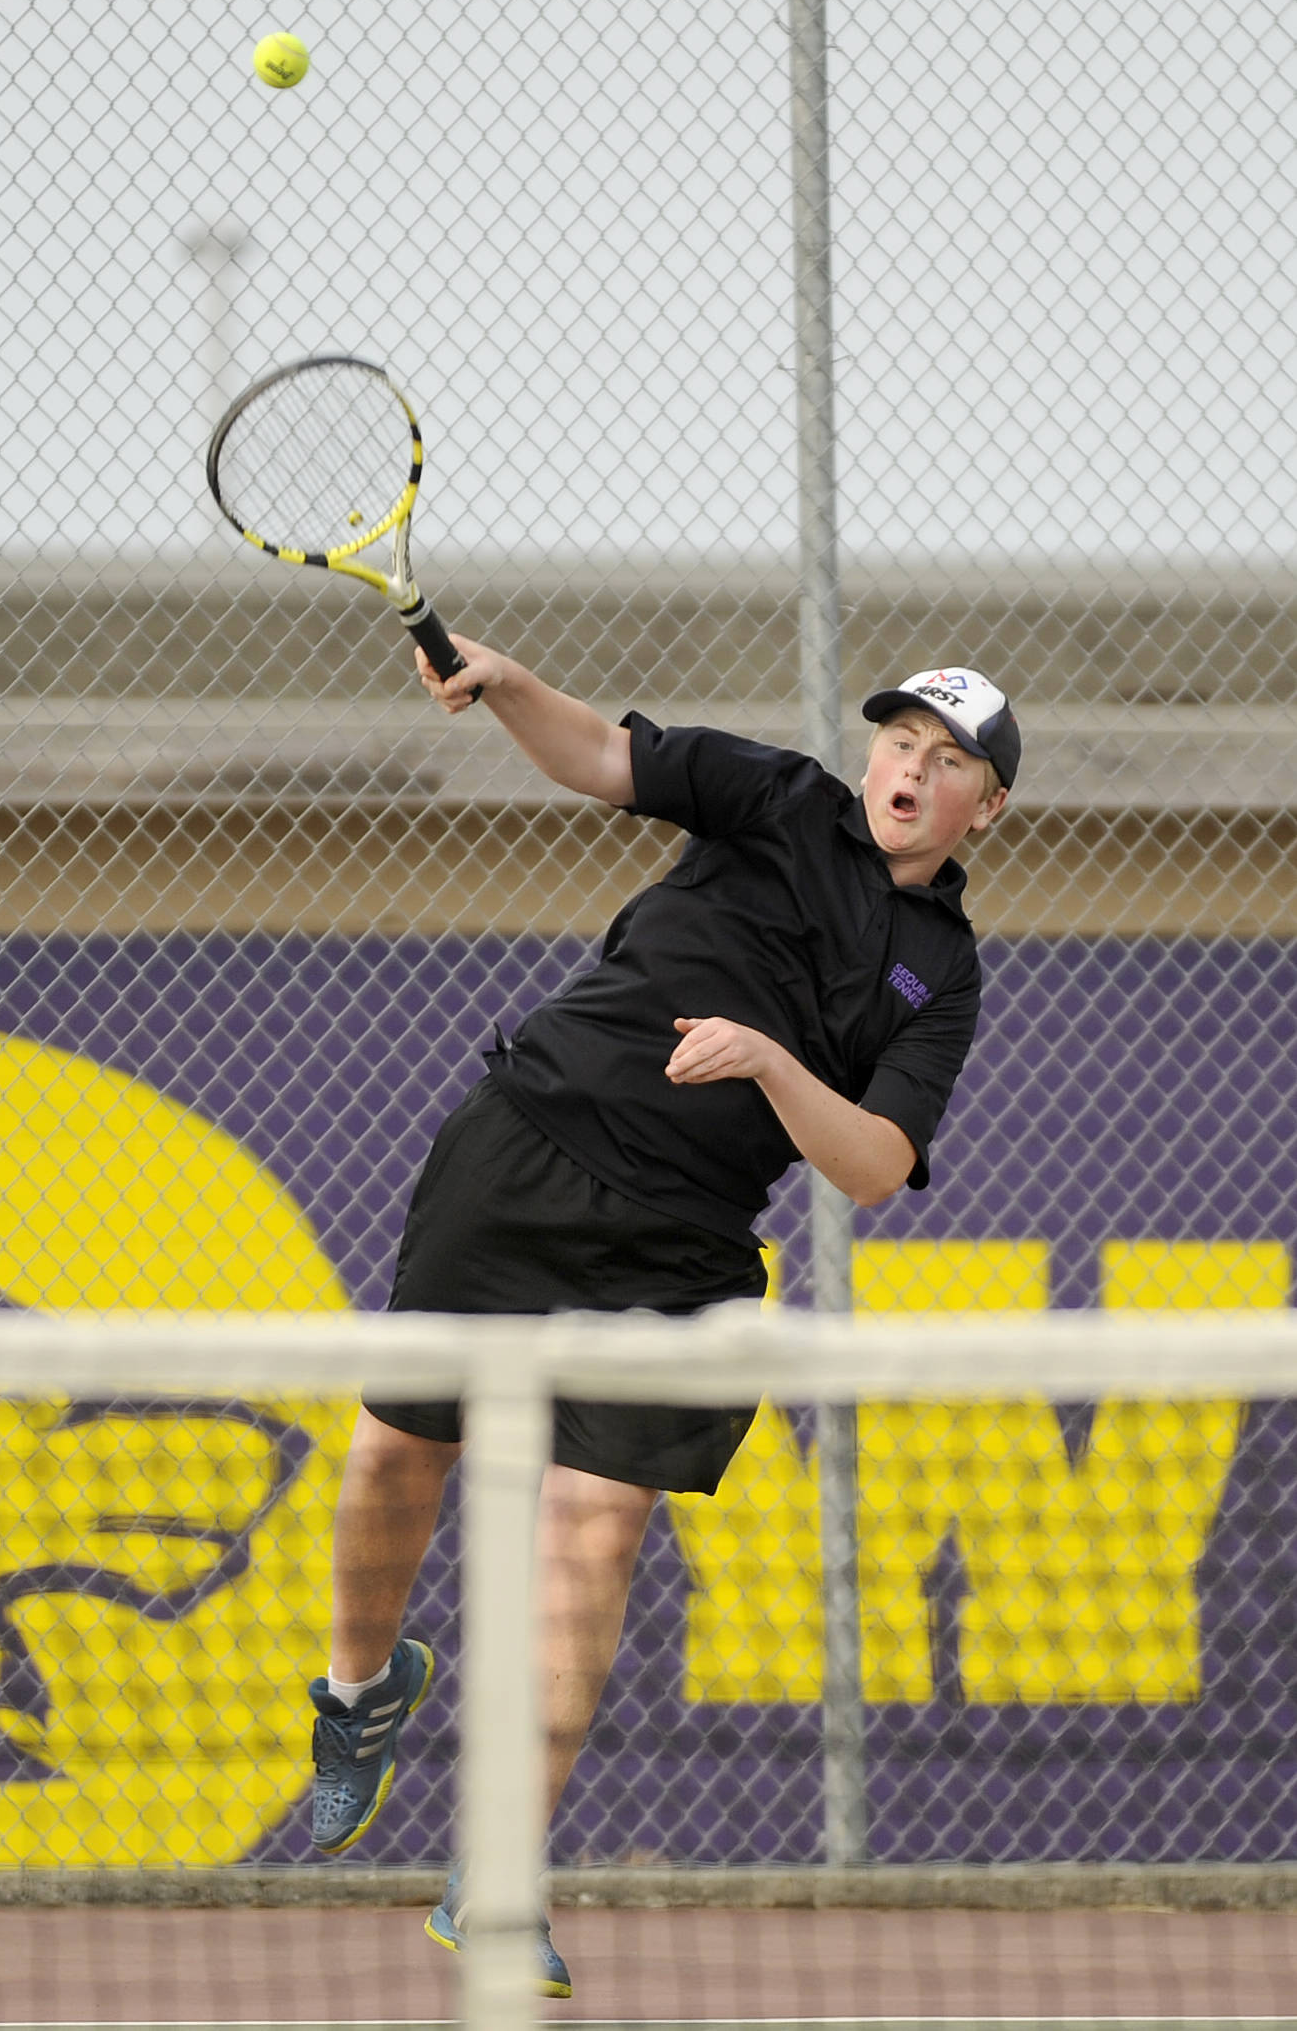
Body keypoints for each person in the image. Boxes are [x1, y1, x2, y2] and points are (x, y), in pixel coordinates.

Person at [306, 643, 1020, 1997]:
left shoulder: (944, 971)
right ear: (871, 755)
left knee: (593, 1533)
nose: (911, 771)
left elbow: (875, 1164)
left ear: (984, 809)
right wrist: (509, 684)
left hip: (681, 1251)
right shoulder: (779, 799)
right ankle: (359, 1691)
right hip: (526, 1148)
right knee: (397, 1452)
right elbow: (601, 756)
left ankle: (498, 1883)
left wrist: (771, 1062)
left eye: (949, 763)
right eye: (901, 744)